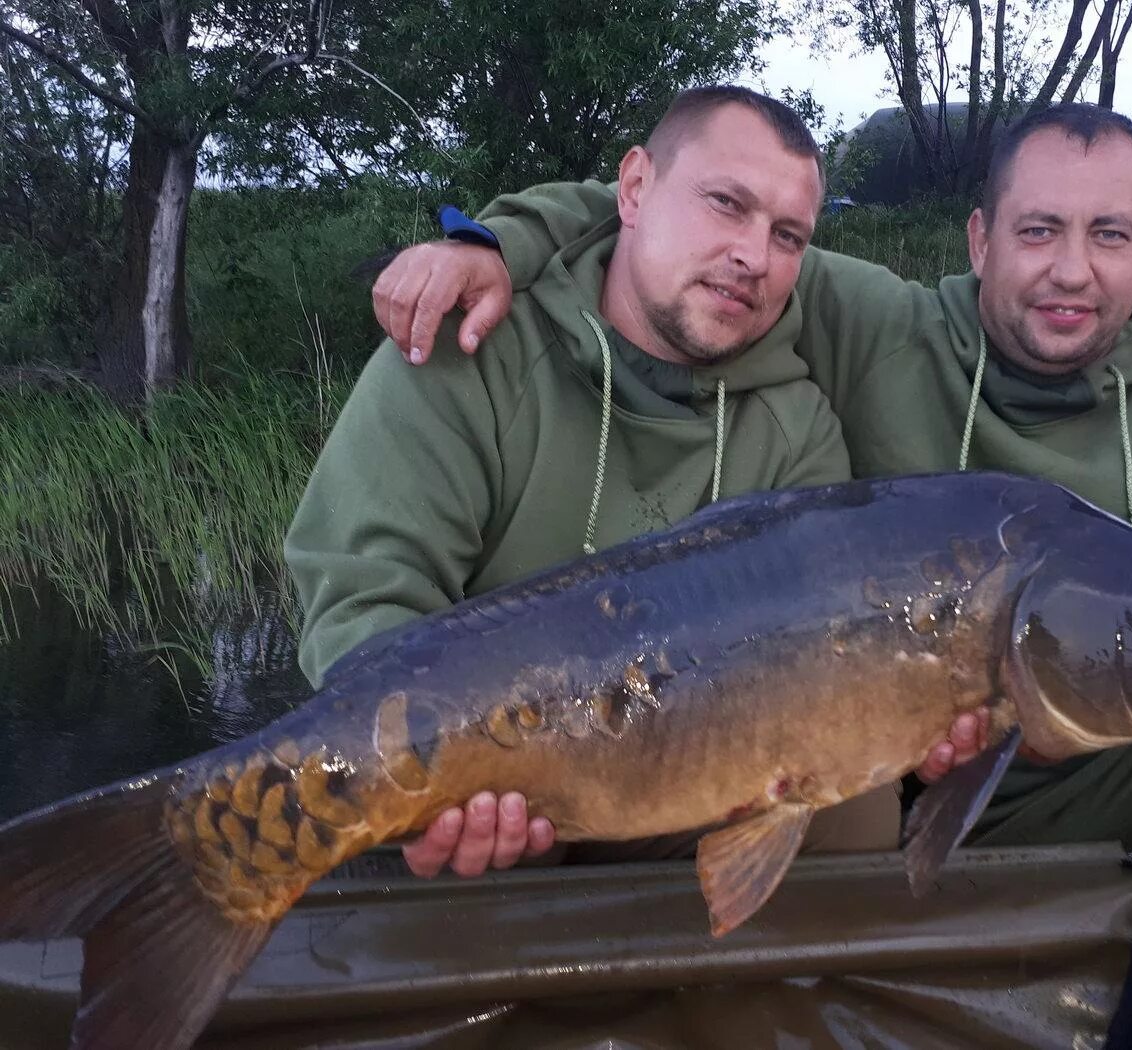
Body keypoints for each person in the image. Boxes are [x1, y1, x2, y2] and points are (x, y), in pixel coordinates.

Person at [368, 102, 1132, 908]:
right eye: (1037, 230)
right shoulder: (875, 321)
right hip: (855, 763)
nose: (1069, 270)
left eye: (1108, 234)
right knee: (828, 795)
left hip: (1061, 781)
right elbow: (694, 214)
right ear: (980, 237)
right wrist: (494, 239)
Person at [286, 86, 986, 882]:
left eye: (787, 235)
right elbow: (361, 600)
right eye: (726, 204)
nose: (753, 255)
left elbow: (805, 663)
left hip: (668, 776)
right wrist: (431, 770)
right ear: (634, 188)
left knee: (853, 804)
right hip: (466, 788)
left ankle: (713, 994)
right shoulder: (470, 345)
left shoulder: (799, 433)